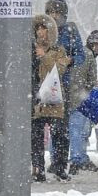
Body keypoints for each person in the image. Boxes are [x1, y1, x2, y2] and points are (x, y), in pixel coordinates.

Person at [32, 14, 71, 182]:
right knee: (35, 136)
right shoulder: (30, 48)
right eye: (38, 28)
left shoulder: (58, 50)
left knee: (60, 135)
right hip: (36, 100)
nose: (40, 32)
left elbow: (60, 69)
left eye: (44, 28)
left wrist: (44, 57)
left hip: (54, 99)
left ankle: (60, 167)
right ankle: (38, 168)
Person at [66, 30, 98, 172]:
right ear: (93, 44)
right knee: (79, 130)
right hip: (80, 99)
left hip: (64, 97)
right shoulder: (89, 56)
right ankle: (78, 159)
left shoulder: (72, 53)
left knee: (64, 131)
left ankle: (58, 160)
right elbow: (91, 80)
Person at [44, 0, 87, 73]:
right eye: (52, 12)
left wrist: (70, 60)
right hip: (42, 76)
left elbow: (81, 55)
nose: (54, 16)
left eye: (57, 12)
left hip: (63, 78)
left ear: (63, 14)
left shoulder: (70, 31)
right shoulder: (41, 29)